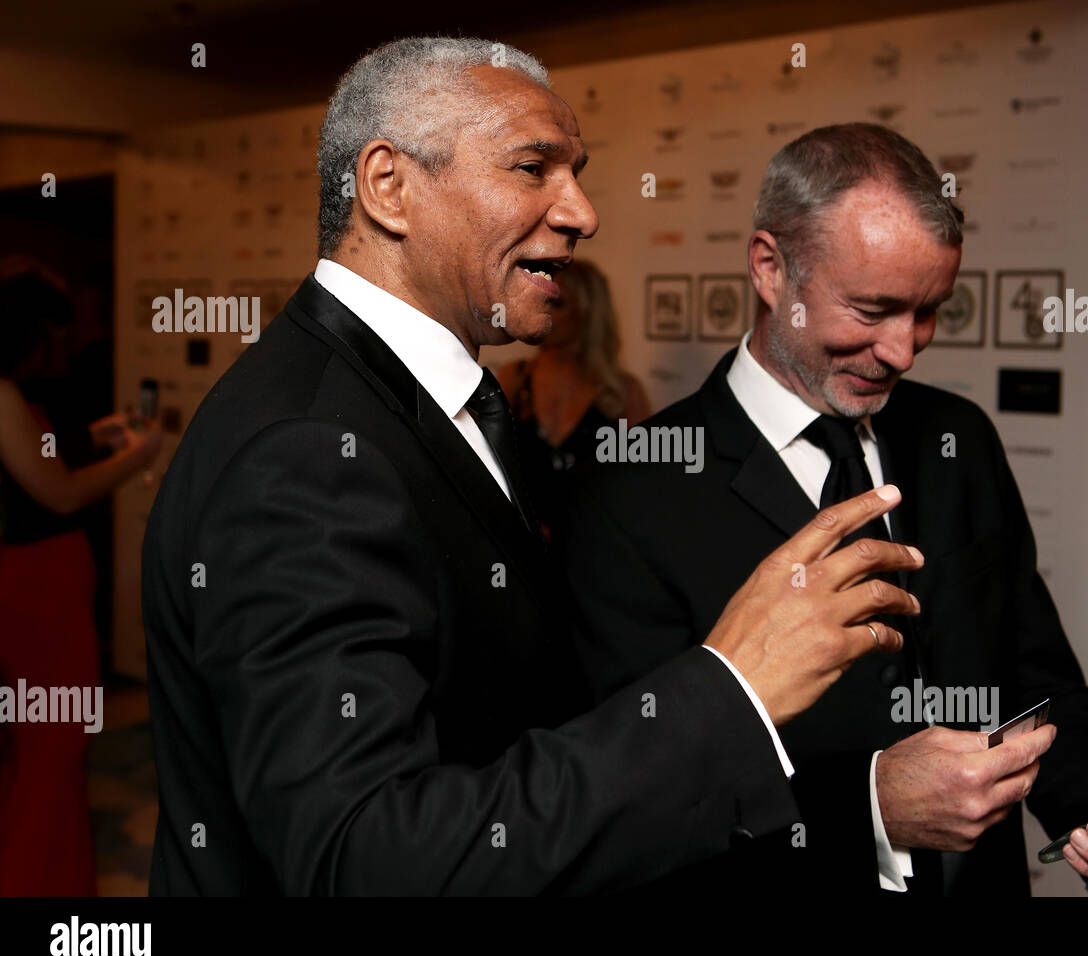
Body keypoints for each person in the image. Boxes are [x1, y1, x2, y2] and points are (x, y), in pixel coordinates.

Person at [141, 38, 923, 896]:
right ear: (388, 187)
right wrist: (729, 690)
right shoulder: (304, 451)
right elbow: (360, 857)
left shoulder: (433, 405)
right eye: (531, 169)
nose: (583, 212)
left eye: (576, 172)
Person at [561, 123, 1088, 897]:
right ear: (771, 268)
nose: (904, 352)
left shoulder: (958, 438)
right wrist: (869, 810)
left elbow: (1030, 675)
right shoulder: (632, 489)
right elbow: (637, 798)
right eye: (873, 310)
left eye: (929, 311)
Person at [0, 260, 161, 895]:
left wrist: (101, 435)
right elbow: (58, 494)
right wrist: (137, 456)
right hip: (36, 602)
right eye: (57, 334)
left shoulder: (17, 395)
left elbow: (40, 456)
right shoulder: (3, 394)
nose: (65, 346)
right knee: (53, 750)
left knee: (43, 752)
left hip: (45, 596)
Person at [496, 259, 650, 536]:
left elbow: (642, 486)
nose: (542, 308)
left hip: (597, 551)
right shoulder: (514, 380)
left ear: (586, 313)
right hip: (523, 550)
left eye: (557, 303)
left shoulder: (622, 393)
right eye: (540, 297)